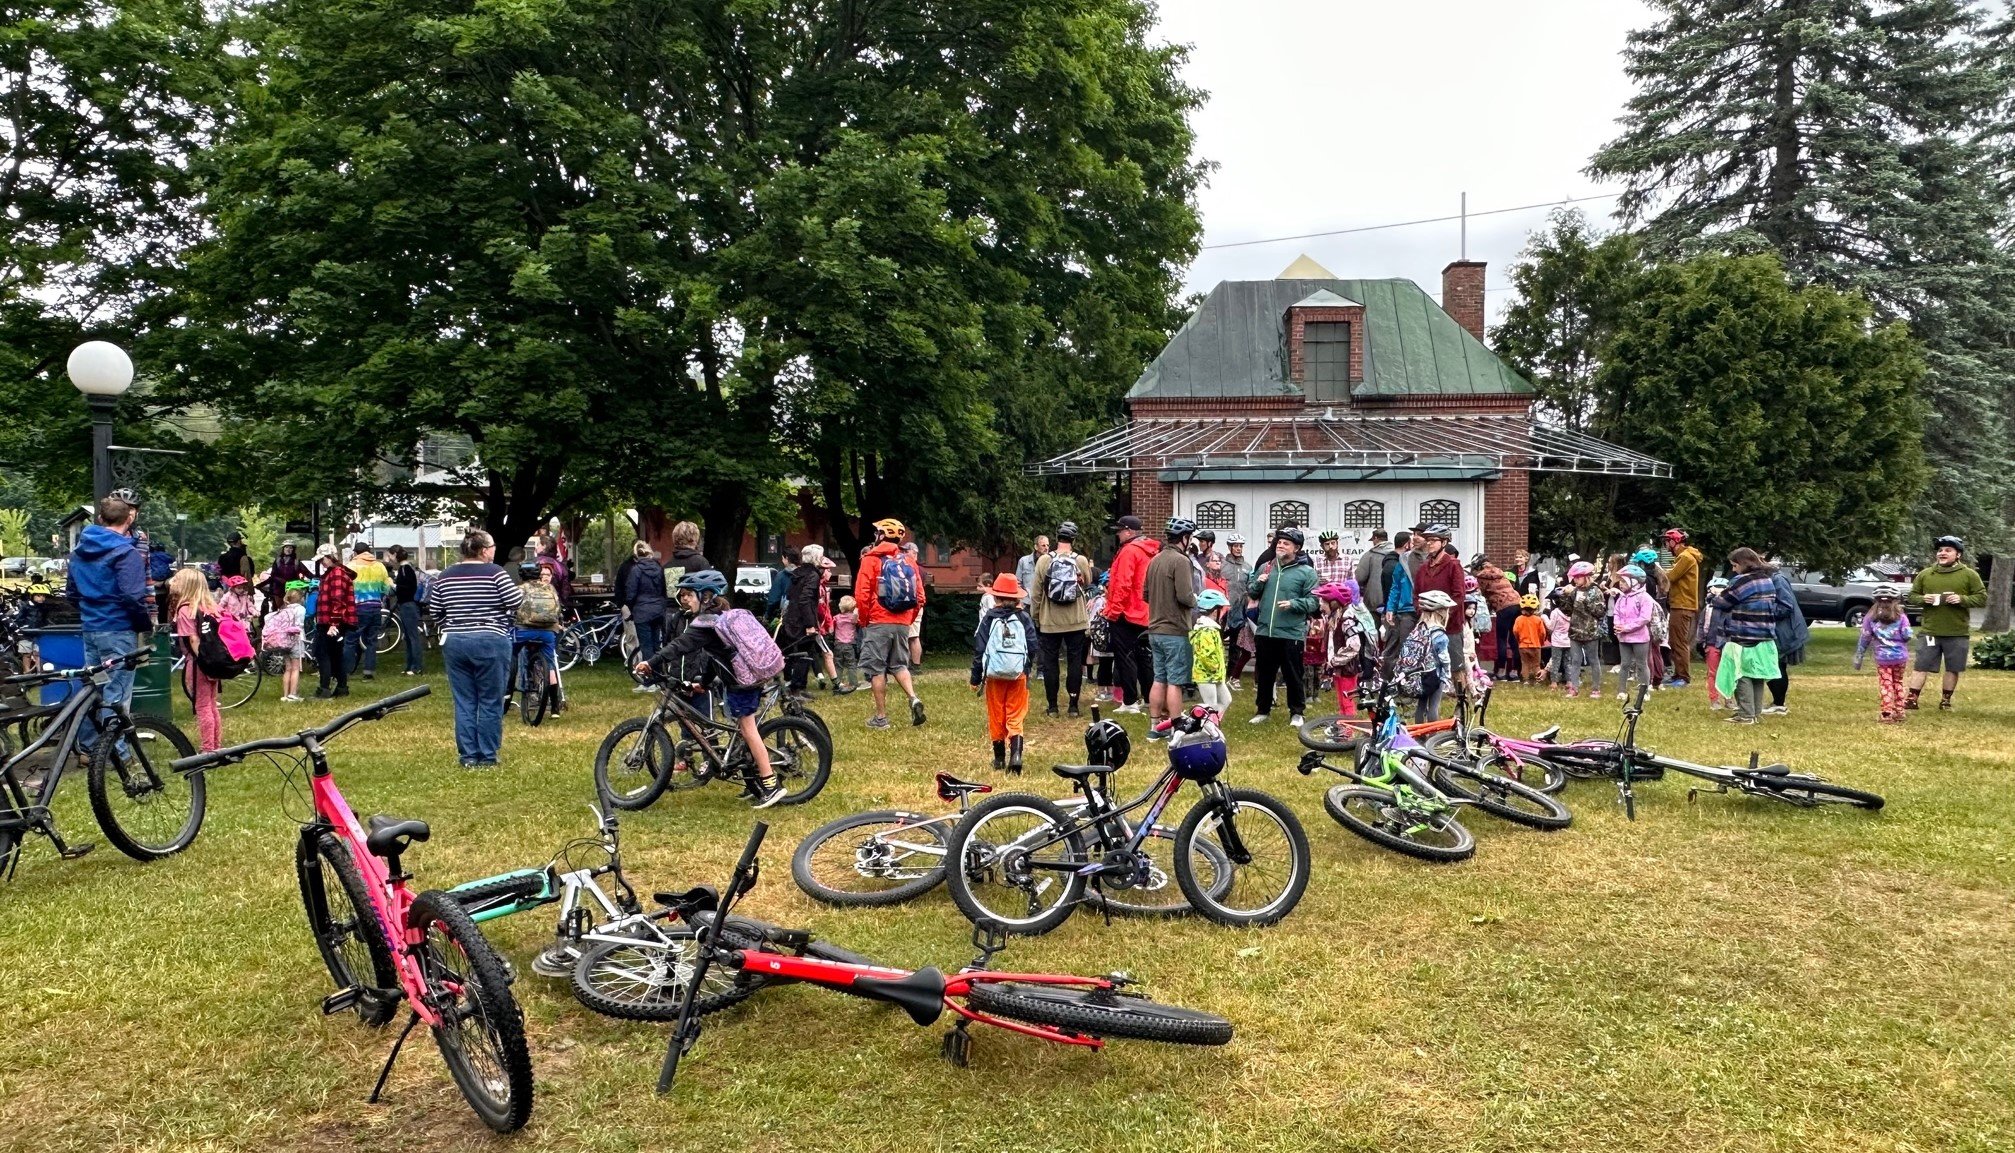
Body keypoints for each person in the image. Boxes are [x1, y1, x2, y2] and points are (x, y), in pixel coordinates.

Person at [633, 570, 787, 807]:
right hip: (743, 678)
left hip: (741, 682)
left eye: (688, 595)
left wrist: (650, 662)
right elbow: (717, 657)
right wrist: (703, 684)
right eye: (682, 596)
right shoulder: (721, 616)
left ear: (704, 596)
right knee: (742, 730)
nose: (685, 599)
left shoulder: (706, 623)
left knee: (748, 729)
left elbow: (679, 645)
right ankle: (753, 780)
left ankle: (770, 784)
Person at [64, 495, 154, 748]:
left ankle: (90, 747)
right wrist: (143, 625)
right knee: (117, 693)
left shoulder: (79, 552)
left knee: (94, 688)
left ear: (101, 519)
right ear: (129, 519)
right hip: (118, 629)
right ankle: (116, 753)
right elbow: (132, 596)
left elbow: (71, 593)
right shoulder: (127, 553)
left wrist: (89, 610)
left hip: (91, 627)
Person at [430, 530, 523, 768]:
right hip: (491, 640)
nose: (494, 550)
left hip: (455, 642)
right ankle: (488, 755)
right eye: (492, 546)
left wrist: (453, 625)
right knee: (491, 701)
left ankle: (468, 756)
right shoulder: (496, 573)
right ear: (483, 550)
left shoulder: (445, 575)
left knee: (465, 701)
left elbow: (435, 611)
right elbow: (515, 602)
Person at [854, 518, 928, 729]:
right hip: (902, 622)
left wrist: (865, 620)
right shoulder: (909, 561)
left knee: (877, 669)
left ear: (881, 536)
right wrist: (908, 619)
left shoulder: (871, 559)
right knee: (899, 665)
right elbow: (920, 597)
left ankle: (881, 718)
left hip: (878, 621)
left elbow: (862, 594)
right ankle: (913, 698)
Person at [1247, 526, 1319, 727]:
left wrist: (1294, 604)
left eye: (1286, 543)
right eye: (1279, 542)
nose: (1280, 545)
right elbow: (1251, 593)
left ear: (1296, 548)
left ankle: (1297, 712)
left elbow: (1314, 602)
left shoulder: (1307, 573)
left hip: (1291, 633)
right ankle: (1263, 710)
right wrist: (1259, 583)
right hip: (1265, 630)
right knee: (1265, 673)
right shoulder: (1266, 568)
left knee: (1293, 674)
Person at [1906, 535, 1986, 711]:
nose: (1942, 553)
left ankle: (1945, 700)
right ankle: (1911, 700)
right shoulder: (1926, 574)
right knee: (1921, 665)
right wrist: (1922, 598)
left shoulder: (1969, 575)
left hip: (1957, 631)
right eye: (1940, 550)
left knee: (1953, 668)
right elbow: (1911, 596)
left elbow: (1982, 598)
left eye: (1948, 550)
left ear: (1958, 555)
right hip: (1931, 631)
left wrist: (1962, 599)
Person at [969, 574, 1035, 772]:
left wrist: (975, 678)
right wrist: (1026, 668)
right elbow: (1032, 646)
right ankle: (1016, 755)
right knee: (1015, 713)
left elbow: (979, 649)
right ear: (1017, 597)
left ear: (996, 597)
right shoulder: (1023, 617)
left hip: (994, 675)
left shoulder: (989, 617)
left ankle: (999, 759)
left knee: (996, 713)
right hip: (1018, 674)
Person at [1712, 548, 1783, 725]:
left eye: (1735, 565)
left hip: (1743, 634)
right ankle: (1755, 713)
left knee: (1740, 673)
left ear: (1743, 564)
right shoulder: (1767, 580)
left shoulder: (1743, 581)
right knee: (1756, 674)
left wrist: (1714, 594)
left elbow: (1722, 602)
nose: (1734, 569)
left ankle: (1745, 715)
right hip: (1764, 635)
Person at [1032, 520, 1093, 718]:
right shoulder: (1081, 560)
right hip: (1076, 620)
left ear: (1057, 538)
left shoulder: (1044, 561)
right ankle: (1073, 706)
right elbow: (1088, 583)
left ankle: (1052, 706)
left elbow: (1036, 593)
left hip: (1050, 621)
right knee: (1075, 661)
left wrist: (1036, 617)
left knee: (1050, 663)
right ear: (1073, 539)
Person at [1144, 517, 1198, 736]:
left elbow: (1145, 595)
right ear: (1184, 538)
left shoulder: (1154, 560)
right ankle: (1177, 727)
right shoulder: (1181, 561)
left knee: (1159, 678)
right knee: (1175, 681)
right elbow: (1185, 596)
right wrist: (1198, 600)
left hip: (1154, 629)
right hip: (1175, 630)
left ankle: (1154, 727)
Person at [1100, 515, 1159, 714]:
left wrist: (1113, 612)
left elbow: (1122, 584)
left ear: (1128, 531)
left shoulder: (1129, 551)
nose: (1117, 534)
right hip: (1145, 612)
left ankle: (1130, 700)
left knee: (1125, 657)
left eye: (1119, 531)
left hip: (1126, 612)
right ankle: (1151, 699)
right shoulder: (1150, 551)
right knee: (1144, 657)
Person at [166, 568, 225, 752]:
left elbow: (192, 639)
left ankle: (207, 748)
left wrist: (203, 662)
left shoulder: (185, 609)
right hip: (215, 661)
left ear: (186, 585)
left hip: (198, 662)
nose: (172, 582)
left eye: (176, 580)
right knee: (212, 704)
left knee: (202, 706)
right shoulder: (209, 607)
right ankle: (216, 744)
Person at [1410, 526, 1467, 679]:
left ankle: (1460, 698)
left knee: (1456, 664)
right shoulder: (1423, 568)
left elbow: (1459, 595)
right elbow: (1416, 594)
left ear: (1444, 542)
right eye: (1428, 540)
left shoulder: (1453, 565)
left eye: (1433, 540)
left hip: (1450, 624)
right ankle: (1433, 696)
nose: (1429, 543)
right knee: (1428, 664)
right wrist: (1420, 610)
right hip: (1428, 623)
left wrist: (1444, 614)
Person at [1854, 584, 1914, 723]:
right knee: (1898, 682)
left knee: (1886, 684)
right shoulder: (1901, 617)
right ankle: (1899, 711)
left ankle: (1887, 713)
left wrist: (1859, 656)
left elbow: (1865, 637)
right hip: (1900, 657)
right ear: (1896, 601)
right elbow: (1907, 635)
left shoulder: (1870, 617)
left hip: (1882, 658)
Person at [512, 560, 564, 714]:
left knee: (510, 655)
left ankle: (508, 693)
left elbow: (511, 608)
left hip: (524, 631)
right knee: (550, 666)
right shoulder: (550, 589)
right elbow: (558, 609)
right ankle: (555, 707)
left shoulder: (519, 589)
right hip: (548, 632)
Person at [1396, 590, 1456, 723]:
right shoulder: (1440, 634)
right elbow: (1444, 659)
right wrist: (1446, 678)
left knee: (1421, 706)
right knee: (1433, 707)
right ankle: (1432, 738)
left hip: (1419, 675)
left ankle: (1420, 736)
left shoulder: (1418, 629)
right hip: (1435, 675)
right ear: (1440, 612)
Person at [1761, 562, 1809, 716]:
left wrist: (1762, 611)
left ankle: (1779, 704)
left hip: (1785, 631)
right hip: (1779, 630)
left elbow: (1786, 606)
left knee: (1776, 665)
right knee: (1774, 665)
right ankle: (1777, 702)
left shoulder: (1777, 580)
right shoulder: (1772, 578)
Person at [1314, 582, 1368, 718]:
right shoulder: (1334, 619)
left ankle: (1347, 733)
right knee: (1341, 702)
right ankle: (1343, 729)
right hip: (1339, 668)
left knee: (1347, 702)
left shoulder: (1347, 620)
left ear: (1334, 603)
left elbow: (1354, 645)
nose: (1320, 605)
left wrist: (1335, 660)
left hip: (1347, 669)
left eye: (1323, 602)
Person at [310, 543, 355, 699]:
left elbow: (338, 601)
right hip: (330, 621)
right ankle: (342, 688)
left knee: (323, 654)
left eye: (323, 559)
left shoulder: (336, 573)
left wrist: (333, 624)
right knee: (335, 654)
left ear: (331, 557)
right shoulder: (335, 572)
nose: (321, 563)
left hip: (331, 622)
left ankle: (324, 689)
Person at [781, 543, 826, 695]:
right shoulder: (813, 575)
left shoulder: (797, 574)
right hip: (803, 619)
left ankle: (798, 686)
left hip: (791, 617)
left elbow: (790, 595)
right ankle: (797, 688)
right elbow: (805, 599)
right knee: (805, 653)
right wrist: (809, 624)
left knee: (800, 652)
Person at [624, 543, 669, 693]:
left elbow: (630, 594)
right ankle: (660, 678)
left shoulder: (635, 570)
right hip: (658, 610)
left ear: (636, 554)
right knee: (657, 645)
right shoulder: (658, 568)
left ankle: (650, 681)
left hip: (642, 611)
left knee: (646, 646)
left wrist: (632, 608)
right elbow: (664, 589)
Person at [1609, 565, 1658, 701]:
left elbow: (1644, 618)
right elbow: (1616, 613)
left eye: (1624, 581)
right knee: (1624, 664)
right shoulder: (1622, 598)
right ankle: (1622, 691)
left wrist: (1626, 628)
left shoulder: (1645, 598)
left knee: (1642, 664)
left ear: (1635, 582)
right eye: (1621, 581)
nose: (1621, 584)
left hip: (1640, 638)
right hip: (1624, 638)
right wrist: (1617, 626)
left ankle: (1645, 691)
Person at [1661, 529, 1702, 687]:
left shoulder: (1685, 557)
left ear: (1674, 541)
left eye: (1666, 541)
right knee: (1674, 640)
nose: (1665, 545)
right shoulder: (1682, 557)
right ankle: (1678, 674)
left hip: (1682, 605)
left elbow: (1669, 577)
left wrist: (1657, 569)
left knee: (1679, 642)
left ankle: (1683, 677)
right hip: (1679, 604)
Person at [1561, 562, 1606, 699]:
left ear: (1586, 577)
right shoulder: (1575, 591)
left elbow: (1599, 612)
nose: (1575, 580)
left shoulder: (1596, 591)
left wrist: (1586, 601)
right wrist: (1563, 597)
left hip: (1590, 631)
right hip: (1575, 630)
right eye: (1574, 577)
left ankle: (1596, 688)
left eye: (1578, 577)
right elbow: (1568, 611)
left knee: (1593, 660)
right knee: (1575, 660)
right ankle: (1574, 688)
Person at [346, 545, 391, 680]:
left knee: (350, 640)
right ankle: (369, 671)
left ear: (355, 552)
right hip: (376, 607)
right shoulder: (380, 566)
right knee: (371, 641)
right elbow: (386, 588)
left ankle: (346, 671)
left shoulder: (351, 566)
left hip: (358, 607)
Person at [1190, 589, 1232, 717]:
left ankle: (1212, 725)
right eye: (1222, 610)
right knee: (1211, 705)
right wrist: (1215, 667)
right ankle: (1206, 727)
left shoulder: (1211, 629)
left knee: (1226, 700)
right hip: (1206, 675)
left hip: (1215, 675)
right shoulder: (1206, 630)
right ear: (1215, 612)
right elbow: (1206, 654)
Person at [265, 581, 309, 702]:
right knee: (296, 668)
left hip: (284, 642)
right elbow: (300, 625)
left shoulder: (284, 609)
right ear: (300, 598)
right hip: (296, 640)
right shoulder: (300, 609)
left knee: (288, 668)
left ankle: (285, 694)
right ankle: (293, 694)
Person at [1381, 531, 1417, 670]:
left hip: (1419, 608)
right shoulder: (1401, 562)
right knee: (1402, 646)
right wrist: (1390, 607)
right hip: (1404, 610)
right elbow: (1395, 586)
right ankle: (1397, 679)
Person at [387, 545, 425, 675]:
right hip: (406, 605)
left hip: (408, 605)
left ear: (395, 555)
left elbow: (406, 588)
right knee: (408, 637)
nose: (390, 558)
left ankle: (416, 666)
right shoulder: (406, 569)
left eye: (391, 555)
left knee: (412, 636)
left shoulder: (405, 569)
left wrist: (393, 584)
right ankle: (410, 665)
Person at [1221, 534, 1252, 688]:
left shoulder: (1248, 567)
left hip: (1240, 611)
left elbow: (1250, 588)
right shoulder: (1222, 564)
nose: (1238, 548)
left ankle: (1231, 674)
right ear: (1230, 547)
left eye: (1240, 546)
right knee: (1218, 641)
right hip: (1223, 610)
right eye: (1235, 546)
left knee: (1236, 645)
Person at [1701, 577, 1730, 710]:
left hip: (1728, 643)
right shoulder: (1708, 608)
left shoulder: (1730, 609)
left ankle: (1729, 699)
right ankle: (1714, 699)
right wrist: (1701, 641)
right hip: (1712, 643)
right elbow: (1702, 625)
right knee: (1713, 672)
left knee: (1730, 672)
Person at [1513, 594, 1547, 686]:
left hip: (1523, 646)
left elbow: (1515, 631)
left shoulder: (1518, 619)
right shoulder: (1538, 620)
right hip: (1536, 645)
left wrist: (1519, 640)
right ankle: (1537, 680)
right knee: (1536, 664)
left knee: (1525, 664)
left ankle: (1526, 681)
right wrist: (1541, 642)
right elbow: (1543, 633)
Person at [902, 542, 928, 668]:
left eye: (907, 551)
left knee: (911, 636)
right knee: (912, 635)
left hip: (912, 605)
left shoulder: (911, 568)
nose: (904, 554)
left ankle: (912, 665)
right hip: (916, 604)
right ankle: (912, 664)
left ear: (914, 553)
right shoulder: (921, 569)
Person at [832, 595, 862, 693]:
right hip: (849, 645)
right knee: (851, 664)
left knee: (838, 664)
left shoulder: (836, 618)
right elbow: (859, 622)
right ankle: (853, 683)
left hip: (838, 644)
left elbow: (831, 629)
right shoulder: (853, 618)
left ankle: (837, 683)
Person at [265, 541, 307, 609]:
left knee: (291, 608)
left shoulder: (296, 561)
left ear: (293, 550)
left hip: (292, 589)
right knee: (279, 609)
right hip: (278, 589)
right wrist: (280, 580)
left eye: (290, 548)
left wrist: (315, 578)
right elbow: (273, 575)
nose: (288, 549)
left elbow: (306, 572)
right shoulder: (278, 560)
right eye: (286, 547)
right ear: (283, 549)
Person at [1543, 589, 1571, 687]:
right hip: (1568, 641)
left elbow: (1550, 627)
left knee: (1556, 662)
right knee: (1568, 662)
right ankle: (1569, 682)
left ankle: (1554, 682)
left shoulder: (1555, 612)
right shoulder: (1571, 612)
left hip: (1557, 642)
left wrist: (1544, 616)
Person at [1014, 535, 1049, 605]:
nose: (1046, 548)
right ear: (1036, 547)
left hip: (1043, 604)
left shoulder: (1051, 562)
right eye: (1043, 545)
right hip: (1026, 603)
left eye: (1048, 545)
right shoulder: (1024, 561)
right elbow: (1017, 583)